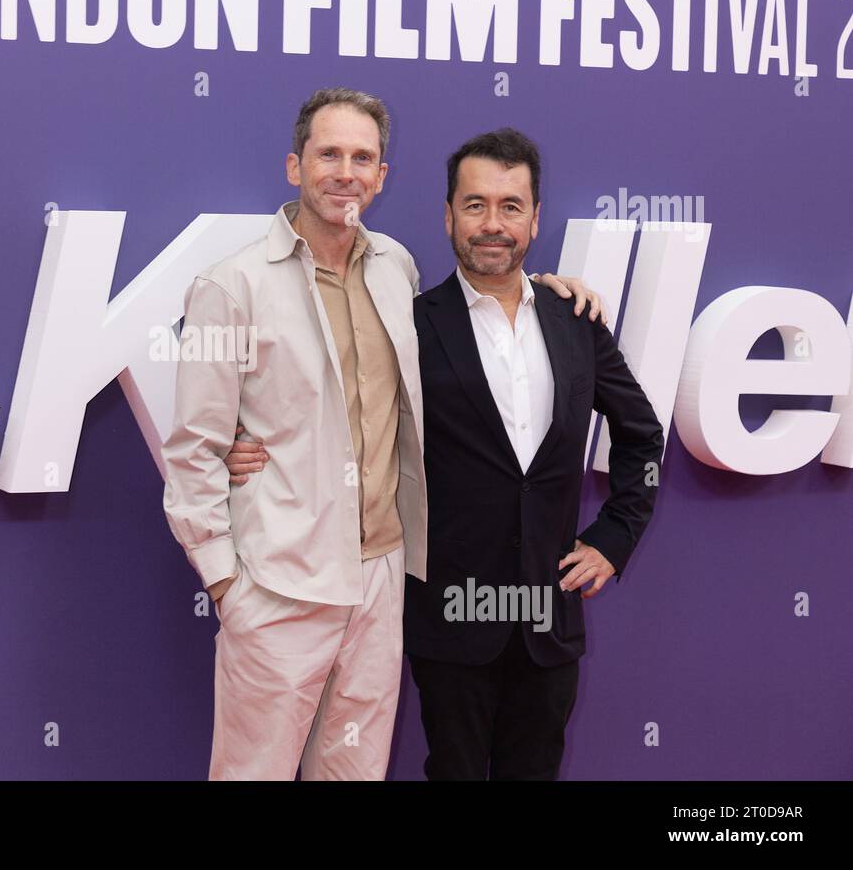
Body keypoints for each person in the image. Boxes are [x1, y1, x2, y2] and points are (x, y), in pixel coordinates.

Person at [163, 91, 602, 781]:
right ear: (294, 166)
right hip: (279, 586)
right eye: (329, 154)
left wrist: (547, 292)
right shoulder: (231, 287)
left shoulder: (395, 268)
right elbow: (194, 451)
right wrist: (225, 585)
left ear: (382, 176)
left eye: (362, 157)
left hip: (382, 581)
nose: (346, 172)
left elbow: (479, 310)